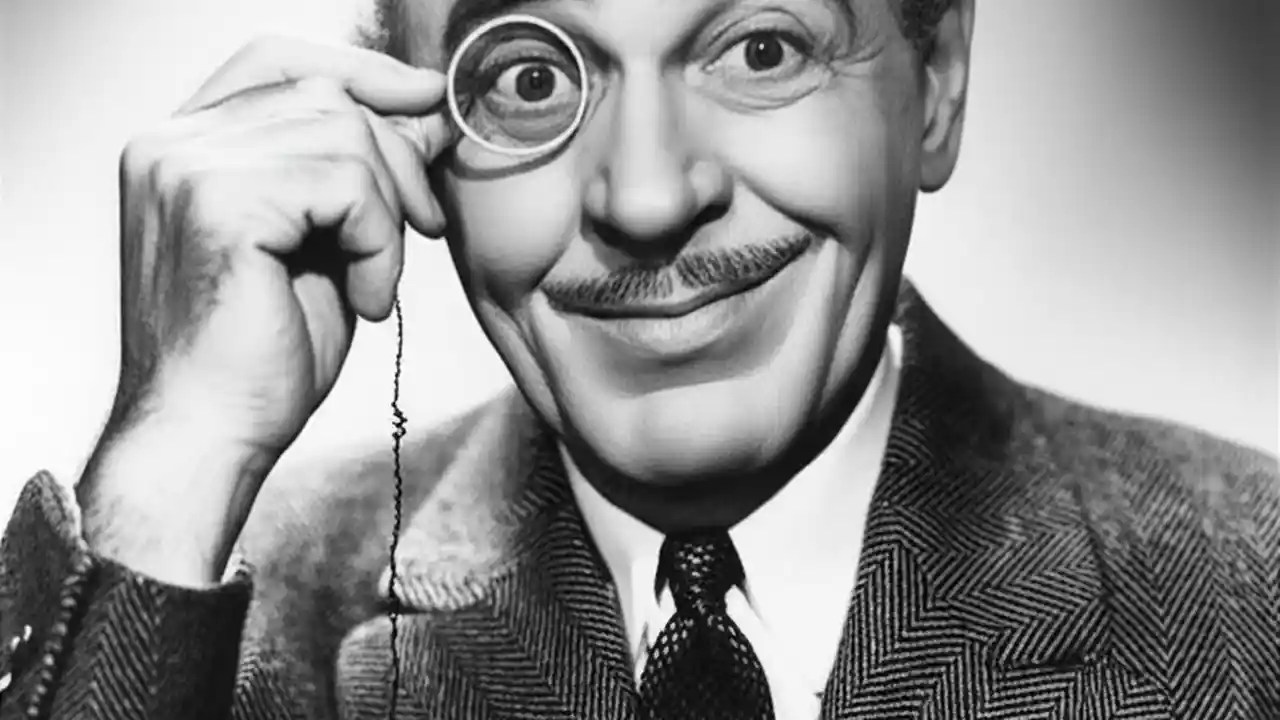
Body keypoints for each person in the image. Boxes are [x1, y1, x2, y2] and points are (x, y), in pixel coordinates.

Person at [1, 0, 1276, 717]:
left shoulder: (1251, 598)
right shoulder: (208, 613)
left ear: (932, 81)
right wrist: (171, 464)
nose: (650, 193)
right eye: (527, 79)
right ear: (398, 122)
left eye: (761, 49)